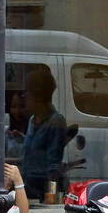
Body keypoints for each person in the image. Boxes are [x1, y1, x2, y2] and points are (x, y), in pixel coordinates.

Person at [21, 68, 69, 201]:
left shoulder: (56, 121)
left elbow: (53, 166)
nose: (23, 96)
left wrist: (51, 198)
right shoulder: (32, 120)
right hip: (27, 190)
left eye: (27, 91)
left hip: (42, 192)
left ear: (38, 96)